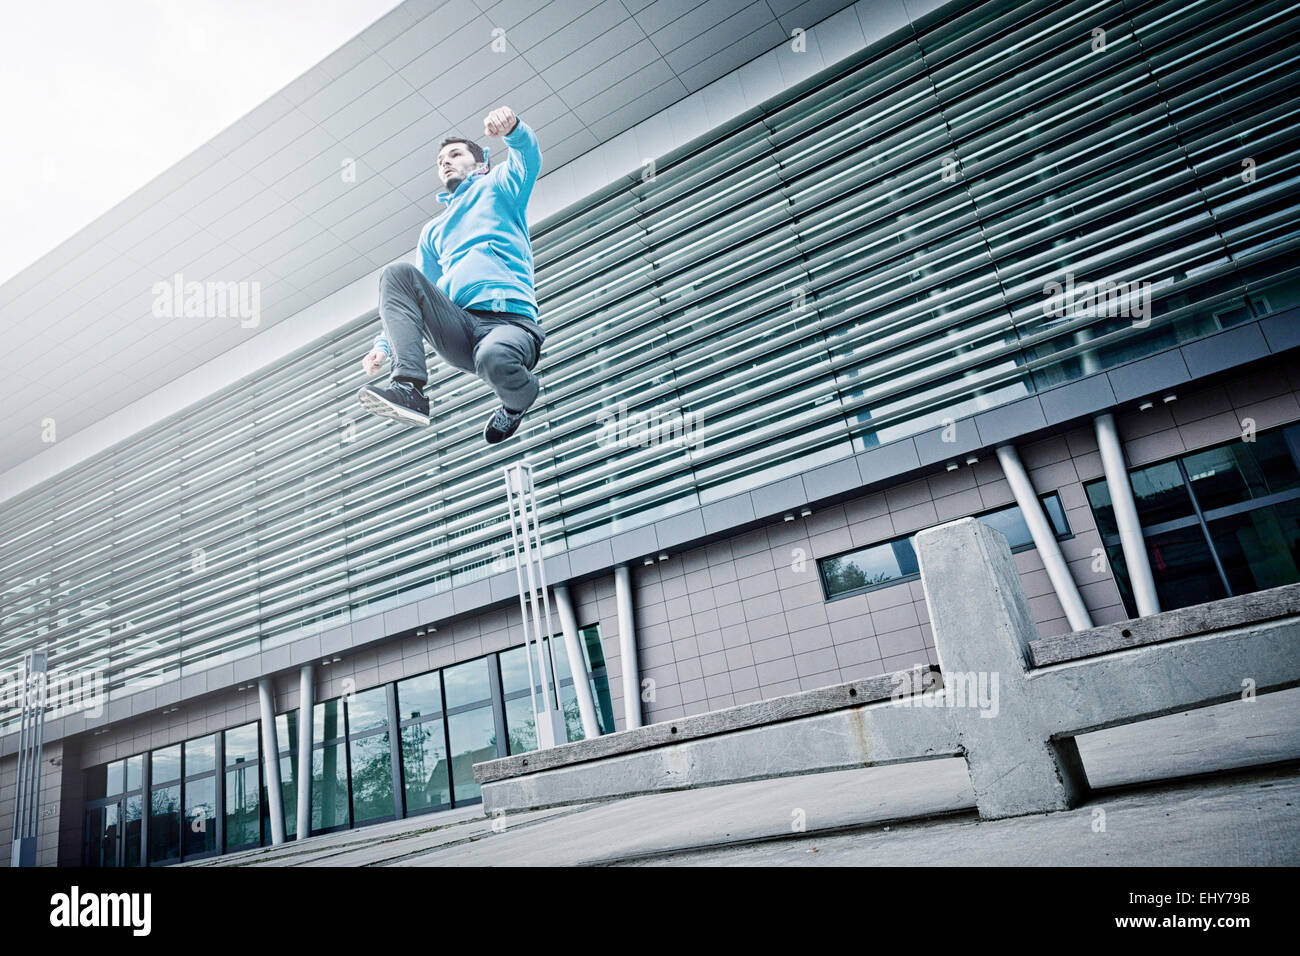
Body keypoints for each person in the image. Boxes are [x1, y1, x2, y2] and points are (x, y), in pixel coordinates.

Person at [357, 105, 545, 444]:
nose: (444, 162)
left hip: (509, 326)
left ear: (481, 163)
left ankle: (517, 404)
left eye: (455, 154)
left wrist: (513, 129)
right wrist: (383, 347)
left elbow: (527, 160)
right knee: (398, 273)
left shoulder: (499, 187)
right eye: (440, 159)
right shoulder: (433, 231)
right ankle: (409, 388)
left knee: (493, 358)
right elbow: (409, 297)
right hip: (459, 328)